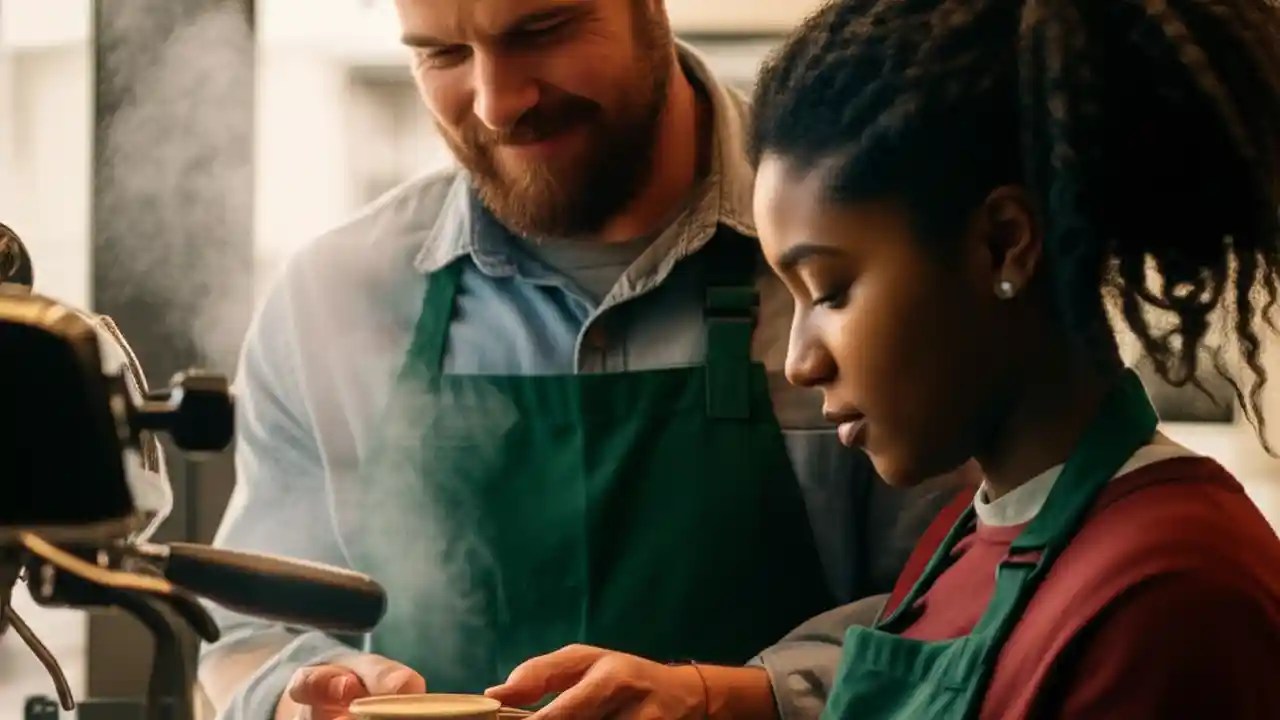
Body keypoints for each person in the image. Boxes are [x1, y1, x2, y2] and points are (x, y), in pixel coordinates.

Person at [484, 0, 1280, 717]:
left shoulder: (1170, 591)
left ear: (1003, 242)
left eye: (829, 290)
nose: (800, 361)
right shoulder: (970, 544)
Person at [197, 2, 973, 719]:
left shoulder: (868, 251)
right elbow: (243, 636)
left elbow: (976, 626)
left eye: (541, 31)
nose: (498, 102)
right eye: (442, 53)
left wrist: (735, 699)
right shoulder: (333, 299)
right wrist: (304, 700)